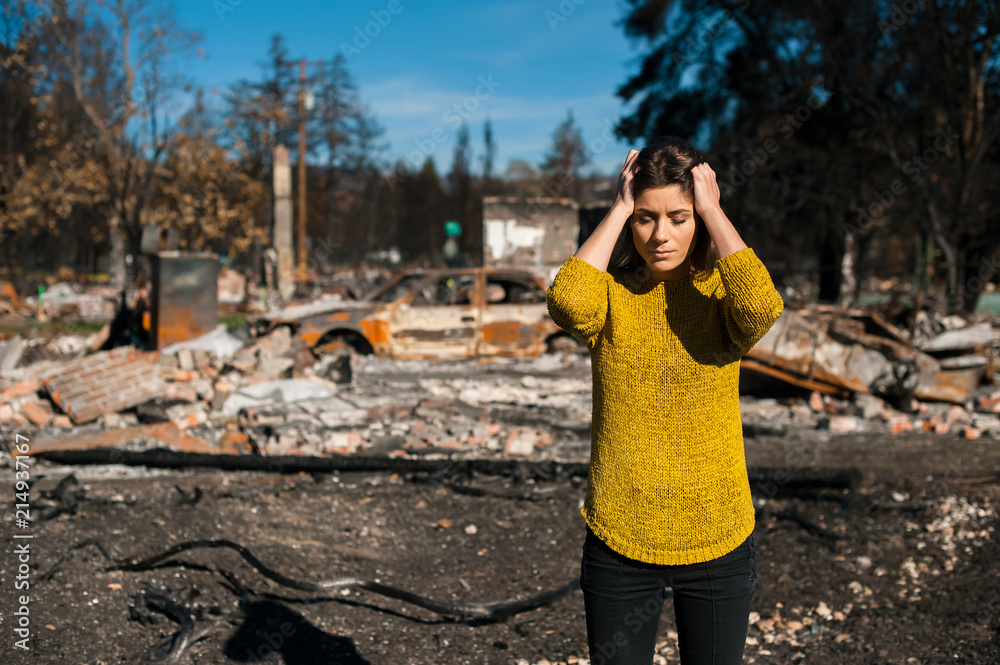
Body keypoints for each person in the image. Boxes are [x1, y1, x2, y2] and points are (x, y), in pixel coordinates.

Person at [546, 136, 785, 665]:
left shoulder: (721, 293)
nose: (660, 235)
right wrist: (617, 207)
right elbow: (567, 300)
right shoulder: (612, 297)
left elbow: (763, 307)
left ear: (697, 216)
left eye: (678, 217)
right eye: (645, 218)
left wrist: (714, 210)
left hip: (717, 537)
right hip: (619, 538)